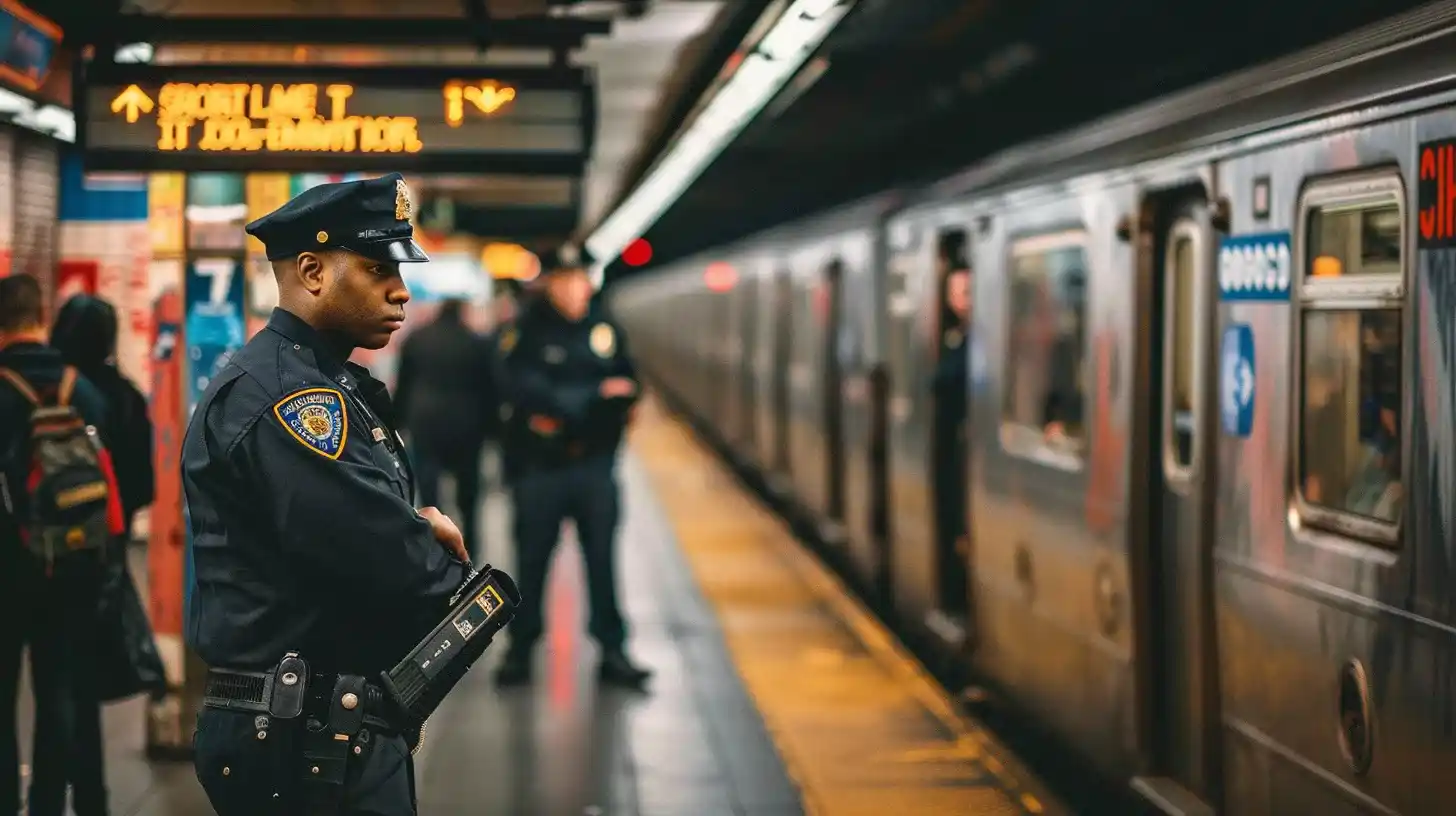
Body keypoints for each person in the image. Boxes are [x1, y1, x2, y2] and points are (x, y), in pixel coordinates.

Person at [181, 173, 475, 816]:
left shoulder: (317, 381)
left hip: (314, 726)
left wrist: (410, 530)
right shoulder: (293, 401)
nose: (400, 290)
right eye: (376, 269)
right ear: (312, 272)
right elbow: (402, 571)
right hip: (300, 739)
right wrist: (431, 544)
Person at [493, 244, 651, 690]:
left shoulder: (605, 328)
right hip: (540, 468)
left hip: (596, 468)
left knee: (602, 561)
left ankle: (613, 650)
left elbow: (630, 383)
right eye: (564, 279)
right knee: (532, 560)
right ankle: (520, 649)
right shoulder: (524, 331)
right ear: (548, 284)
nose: (575, 288)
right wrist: (595, 395)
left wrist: (575, 401)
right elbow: (520, 389)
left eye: (580, 278)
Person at [0, 275, 124, 816]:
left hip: (7, 566)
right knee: (59, 694)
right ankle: (47, 803)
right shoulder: (82, 387)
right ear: (40, 316)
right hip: (73, 559)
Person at [394, 298, 497, 561]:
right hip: (467, 426)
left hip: (426, 423)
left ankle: (435, 546)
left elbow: (404, 384)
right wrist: (493, 429)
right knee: (469, 493)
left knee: (430, 492)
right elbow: (490, 389)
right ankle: (470, 546)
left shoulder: (417, 339)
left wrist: (396, 423)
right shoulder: (476, 342)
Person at [51, 295, 154, 539]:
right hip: (110, 534)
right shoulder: (128, 397)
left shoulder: (48, 389)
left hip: (53, 532)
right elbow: (143, 487)